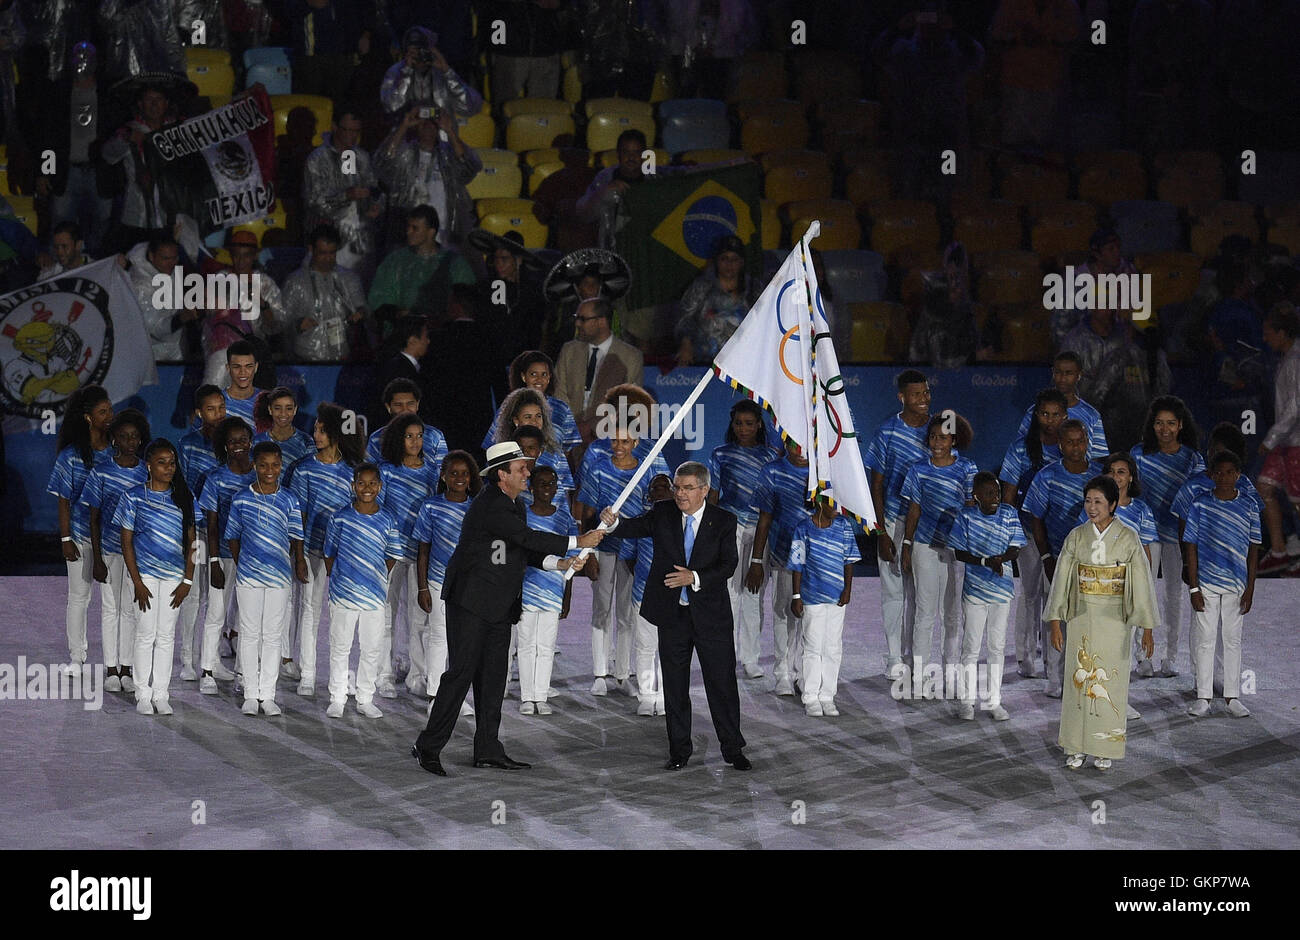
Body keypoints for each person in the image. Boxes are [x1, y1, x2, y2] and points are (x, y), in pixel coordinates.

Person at [411, 442, 604, 777]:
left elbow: (517, 548)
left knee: (493, 679)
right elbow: (525, 537)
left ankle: (487, 748)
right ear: (502, 475)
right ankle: (427, 746)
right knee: (460, 675)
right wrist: (577, 541)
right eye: (521, 469)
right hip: (471, 603)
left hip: (499, 606)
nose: (527, 473)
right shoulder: (491, 505)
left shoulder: (513, 505)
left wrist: (558, 562)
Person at [599, 461, 751, 771]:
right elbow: (632, 527)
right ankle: (680, 750)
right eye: (677, 488)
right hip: (673, 616)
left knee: (721, 684)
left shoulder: (724, 521)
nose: (680, 494)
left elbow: (727, 566)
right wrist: (613, 523)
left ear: (704, 490)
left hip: (711, 617)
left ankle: (733, 748)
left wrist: (693, 577)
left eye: (687, 488)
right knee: (675, 686)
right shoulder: (664, 513)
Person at [1045, 475, 1158, 771]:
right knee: (1078, 679)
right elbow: (1061, 581)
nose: (1091, 507)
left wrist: (1146, 627)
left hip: (1115, 618)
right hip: (1082, 614)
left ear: (1112, 504)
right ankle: (1075, 746)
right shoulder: (1076, 536)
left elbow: (1143, 584)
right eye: (1087, 501)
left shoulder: (1129, 537)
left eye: (1098, 501)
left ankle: (1104, 746)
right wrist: (1056, 620)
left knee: (1111, 682)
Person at [576, 414, 665, 698]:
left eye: (625, 441)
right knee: (601, 609)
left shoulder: (646, 472)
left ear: (636, 442)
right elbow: (586, 514)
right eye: (615, 440)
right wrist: (587, 552)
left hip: (632, 551)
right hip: (602, 548)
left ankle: (622, 674)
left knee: (626, 614)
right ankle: (600, 673)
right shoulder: (598, 469)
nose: (618, 445)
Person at [114, 437, 198, 716]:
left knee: (166, 635)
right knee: (145, 633)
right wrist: (136, 581)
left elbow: (192, 541)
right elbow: (126, 541)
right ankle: (142, 692)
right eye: (161, 463)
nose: (168, 468)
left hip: (174, 578)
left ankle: (161, 693)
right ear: (148, 465)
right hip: (145, 577)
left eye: (172, 463)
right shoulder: (134, 496)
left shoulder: (184, 497)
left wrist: (188, 580)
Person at [226, 441, 308, 717]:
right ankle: (251, 693)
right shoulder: (241, 498)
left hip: (279, 577)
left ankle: (268, 694)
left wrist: (297, 562)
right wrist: (246, 565)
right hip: (249, 576)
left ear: (281, 466)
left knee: (273, 635)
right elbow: (233, 537)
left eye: (274, 465)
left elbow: (296, 537)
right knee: (249, 634)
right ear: (254, 465)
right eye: (263, 465)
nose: (269, 470)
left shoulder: (289, 499)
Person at [287, 402, 363, 698]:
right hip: (312, 551)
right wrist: (299, 554)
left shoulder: (352, 471)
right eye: (315, 429)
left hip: (344, 555)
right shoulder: (304, 469)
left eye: (322, 429)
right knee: (309, 611)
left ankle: (343, 675)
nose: (316, 434)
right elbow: (299, 516)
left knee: (344, 616)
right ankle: (307, 674)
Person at [1023, 419, 1103, 697]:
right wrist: (1046, 556)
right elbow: (1036, 518)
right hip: (1057, 558)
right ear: (1060, 444)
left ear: (1087, 442)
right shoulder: (1046, 476)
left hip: (1092, 564)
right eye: (1069, 442)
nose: (1075, 447)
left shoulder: (1098, 477)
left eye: (1080, 441)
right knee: (1055, 616)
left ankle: (1082, 676)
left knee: (1086, 620)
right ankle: (1054, 678)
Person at [900, 411, 976, 697]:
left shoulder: (967, 469)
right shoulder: (918, 470)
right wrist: (907, 544)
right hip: (923, 545)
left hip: (954, 549)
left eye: (942, 437)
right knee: (924, 611)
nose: (936, 442)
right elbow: (914, 509)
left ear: (953, 439)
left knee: (952, 613)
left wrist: (968, 543)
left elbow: (969, 507)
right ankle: (920, 677)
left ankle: (951, 674)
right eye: (933, 437)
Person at [863, 369, 932, 680]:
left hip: (926, 526)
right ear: (902, 397)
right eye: (916, 394)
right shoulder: (887, 432)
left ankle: (916, 656)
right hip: (893, 519)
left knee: (921, 594)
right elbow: (875, 484)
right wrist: (880, 531)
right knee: (894, 592)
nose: (923, 400)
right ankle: (893, 656)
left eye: (926, 393)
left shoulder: (938, 431)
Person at [1129, 395, 1203, 678]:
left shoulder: (1192, 459)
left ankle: (1169, 658)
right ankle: (1142, 657)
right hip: (1144, 535)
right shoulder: (1138, 454)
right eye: (1159, 423)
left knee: (1173, 596)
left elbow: (1196, 502)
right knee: (1141, 594)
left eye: (1171, 423)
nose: (1165, 429)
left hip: (1178, 536)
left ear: (1181, 425)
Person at [1184, 451, 1262, 718]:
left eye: (1231, 472)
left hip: (1237, 584)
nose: (1225, 477)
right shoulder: (1200, 505)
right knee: (1205, 640)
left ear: (1239, 475)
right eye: (1220, 472)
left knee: (1232, 640)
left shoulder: (1249, 506)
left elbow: (1253, 550)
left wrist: (1250, 588)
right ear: (1211, 475)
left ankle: (1232, 696)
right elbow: (1190, 546)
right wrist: (1194, 588)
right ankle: (1203, 696)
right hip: (1206, 583)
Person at [323, 463, 404, 718]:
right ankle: (337, 696)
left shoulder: (388, 519)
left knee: (371, 648)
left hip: (374, 596)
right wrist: (343, 580)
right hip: (343, 594)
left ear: (379, 487)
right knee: (340, 646)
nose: (366, 488)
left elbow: (391, 556)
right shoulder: (340, 517)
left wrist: (375, 576)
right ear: (353, 485)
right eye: (361, 483)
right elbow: (329, 554)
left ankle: (365, 697)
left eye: (372, 484)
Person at [708, 399, 782, 679]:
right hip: (729, 528)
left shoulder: (770, 458)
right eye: (738, 423)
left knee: (753, 594)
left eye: (749, 423)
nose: (743, 428)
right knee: (728, 593)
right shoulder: (720, 455)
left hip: (762, 530)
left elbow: (773, 502)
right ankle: (724, 655)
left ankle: (750, 658)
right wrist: (711, 534)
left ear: (760, 424)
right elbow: (713, 497)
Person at [82, 409, 150, 695]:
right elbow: (93, 518)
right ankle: (111, 668)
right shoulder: (101, 472)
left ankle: (128, 666)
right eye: (123, 437)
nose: (130, 442)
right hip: (110, 551)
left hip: (139, 553)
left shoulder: (147, 470)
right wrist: (96, 558)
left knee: (132, 609)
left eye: (134, 437)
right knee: (111, 609)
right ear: (114, 440)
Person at [46, 384, 114, 674]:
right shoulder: (71, 456)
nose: (110, 415)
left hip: (113, 539)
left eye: (110, 409)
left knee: (114, 603)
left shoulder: (117, 450)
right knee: (79, 597)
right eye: (103, 412)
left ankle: (117, 662)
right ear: (88, 417)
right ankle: (77, 657)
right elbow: (63, 501)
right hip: (80, 536)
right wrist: (65, 539)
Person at [1000, 387, 1067, 678]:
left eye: (1055, 415)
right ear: (1035, 415)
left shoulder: (1072, 448)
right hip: (1027, 534)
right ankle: (1026, 658)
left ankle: (1054, 661)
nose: (1049, 420)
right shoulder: (1020, 450)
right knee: (1029, 594)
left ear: (1064, 417)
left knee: (1055, 596)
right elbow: (1008, 497)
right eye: (1044, 414)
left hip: (1062, 537)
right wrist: (1010, 535)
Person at [949, 472, 1025, 720]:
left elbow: (1015, 548)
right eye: (989, 493)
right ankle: (967, 702)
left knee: (997, 647)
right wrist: (984, 561)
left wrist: (1001, 559)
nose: (996, 498)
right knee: (971, 648)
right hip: (974, 594)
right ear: (976, 496)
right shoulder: (966, 516)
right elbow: (959, 552)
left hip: (1002, 591)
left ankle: (993, 702)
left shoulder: (1009, 514)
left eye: (998, 493)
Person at [412, 449, 482, 718]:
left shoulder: (476, 507)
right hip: (439, 581)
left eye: (464, 473)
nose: (460, 478)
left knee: (463, 641)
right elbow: (424, 550)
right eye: (454, 473)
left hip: (469, 584)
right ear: (443, 476)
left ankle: (456, 697)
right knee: (439, 636)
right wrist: (422, 587)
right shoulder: (430, 506)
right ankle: (434, 696)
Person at [378, 413, 442, 697]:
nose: (415, 441)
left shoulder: (433, 470)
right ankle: (384, 674)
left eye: (419, 436)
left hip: (420, 554)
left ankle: (418, 675)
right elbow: (377, 513)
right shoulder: (386, 471)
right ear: (398, 439)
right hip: (391, 552)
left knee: (420, 617)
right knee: (386, 615)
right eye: (409, 436)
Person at [516, 464, 588, 715]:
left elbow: (572, 558)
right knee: (526, 644)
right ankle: (527, 696)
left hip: (553, 589)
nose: (548, 488)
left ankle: (541, 695)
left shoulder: (564, 518)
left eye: (552, 483)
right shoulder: (521, 515)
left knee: (546, 645)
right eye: (542, 483)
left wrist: (567, 596)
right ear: (532, 487)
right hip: (526, 588)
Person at [747, 438, 813, 697]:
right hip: (785, 553)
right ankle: (783, 673)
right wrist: (755, 561)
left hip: (818, 557)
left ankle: (806, 672)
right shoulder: (772, 471)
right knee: (785, 611)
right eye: (795, 444)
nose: (800, 450)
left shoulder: (825, 472)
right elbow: (765, 518)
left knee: (813, 616)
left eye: (805, 444)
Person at [34, 42, 112, 256]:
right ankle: (59, 269)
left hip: (99, 170)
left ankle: (95, 264)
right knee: (61, 221)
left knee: (102, 220)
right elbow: (47, 136)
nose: (82, 62)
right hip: (67, 171)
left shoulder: (107, 92)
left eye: (86, 57)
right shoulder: (58, 92)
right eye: (78, 57)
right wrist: (44, 172)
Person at [195, 417, 255, 695]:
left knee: (246, 618)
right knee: (216, 613)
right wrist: (215, 561)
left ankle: (243, 672)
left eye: (244, 440)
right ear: (224, 446)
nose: (239, 446)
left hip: (253, 559)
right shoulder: (215, 479)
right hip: (224, 557)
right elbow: (212, 523)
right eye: (233, 442)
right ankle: (207, 670)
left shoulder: (259, 475)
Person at [789, 495, 859, 717]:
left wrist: (847, 589)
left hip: (836, 596)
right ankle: (810, 696)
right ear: (820, 502)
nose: (838, 508)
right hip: (812, 596)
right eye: (833, 503)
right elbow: (797, 564)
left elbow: (849, 560)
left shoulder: (844, 527)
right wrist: (796, 595)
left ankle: (827, 695)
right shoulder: (803, 528)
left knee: (832, 647)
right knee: (812, 646)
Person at [374, 106, 481, 250]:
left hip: (443, 233)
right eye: (423, 121)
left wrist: (449, 130)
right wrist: (404, 125)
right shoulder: (406, 154)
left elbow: (470, 166)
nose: (428, 125)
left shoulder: (448, 155)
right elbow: (383, 162)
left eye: (433, 122)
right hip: (409, 234)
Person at [302, 109, 384, 280]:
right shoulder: (317, 159)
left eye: (356, 131)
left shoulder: (362, 157)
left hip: (360, 241)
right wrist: (345, 196)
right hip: (329, 242)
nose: (352, 136)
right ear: (334, 127)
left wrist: (376, 205)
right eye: (347, 130)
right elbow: (314, 202)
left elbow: (374, 189)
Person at [554, 296, 645, 445]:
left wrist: (590, 426)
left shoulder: (630, 356)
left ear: (601, 321)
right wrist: (573, 428)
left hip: (607, 439)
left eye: (583, 319)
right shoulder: (568, 351)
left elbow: (627, 402)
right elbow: (559, 393)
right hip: (569, 438)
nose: (577, 323)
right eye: (577, 318)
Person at [201, 231, 286, 385]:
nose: (240, 261)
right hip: (220, 354)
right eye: (236, 255)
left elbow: (277, 325)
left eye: (246, 255)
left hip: (251, 356)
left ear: (255, 256)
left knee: (248, 403)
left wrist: (263, 305)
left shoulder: (265, 284)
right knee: (211, 398)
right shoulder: (219, 280)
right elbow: (205, 318)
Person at [368, 206, 477, 324]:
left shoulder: (455, 264)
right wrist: (397, 313)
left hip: (444, 332)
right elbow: (378, 299)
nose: (408, 232)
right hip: (405, 331)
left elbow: (467, 304)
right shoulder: (394, 261)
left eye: (415, 228)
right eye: (408, 227)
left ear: (431, 232)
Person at [1255, 302, 1300, 575]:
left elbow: (1296, 408)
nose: (1264, 338)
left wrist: (1270, 439)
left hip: (1294, 442)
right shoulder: (1287, 358)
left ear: (1283, 333)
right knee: (1264, 487)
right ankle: (1280, 550)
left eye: (1268, 332)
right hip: (1286, 442)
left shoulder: (1295, 361)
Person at [284, 224, 371, 361]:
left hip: (343, 355)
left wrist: (360, 313)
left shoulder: (349, 279)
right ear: (311, 249)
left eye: (332, 253)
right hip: (305, 357)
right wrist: (297, 324)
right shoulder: (295, 282)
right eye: (323, 253)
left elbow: (363, 307)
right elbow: (281, 320)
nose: (328, 258)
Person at [624, 473, 673, 716]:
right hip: (643, 592)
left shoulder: (680, 523)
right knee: (645, 645)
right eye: (657, 487)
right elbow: (630, 557)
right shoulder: (641, 521)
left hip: (672, 594)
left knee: (667, 646)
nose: (662, 490)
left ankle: (665, 696)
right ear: (650, 494)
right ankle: (646, 696)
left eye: (667, 486)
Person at [482, 351, 582, 464]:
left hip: (554, 477)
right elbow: (492, 447)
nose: (539, 379)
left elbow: (568, 451)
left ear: (549, 378)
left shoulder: (562, 409)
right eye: (533, 374)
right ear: (524, 377)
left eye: (544, 374)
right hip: (517, 477)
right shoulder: (508, 407)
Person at [674, 234, 756, 366]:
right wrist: (686, 344)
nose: (729, 264)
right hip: (704, 361)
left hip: (743, 362)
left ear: (741, 262)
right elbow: (685, 319)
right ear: (716, 261)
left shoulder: (753, 288)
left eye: (734, 259)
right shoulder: (701, 286)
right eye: (724, 259)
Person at [471, 230, 548, 363]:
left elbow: (538, 327)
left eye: (504, 259)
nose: (499, 264)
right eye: (496, 259)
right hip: (493, 359)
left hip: (524, 360)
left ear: (518, 260)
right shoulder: (490, 287)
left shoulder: (532, 291)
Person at [1014, 351, 1108, 460]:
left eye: (1069, 373)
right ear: (1053, 372)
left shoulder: (1092, 415)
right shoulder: (1034, 412)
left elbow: (1098, 458)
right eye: (1058, 372)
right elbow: (1019, 450)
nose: (1063, 378)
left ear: (1079, 375)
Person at [379, 25, 484, 119]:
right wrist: (406, 73)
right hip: (407, 135)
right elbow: (391, 107)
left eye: (420, 50)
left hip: (440, 135)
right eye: (412, 51)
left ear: (430, 50)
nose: (417, 55)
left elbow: (469, 108)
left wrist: (448, 72)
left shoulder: (442, 72)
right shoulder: (395, 71)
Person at [129, 236, 194, 363]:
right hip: (154, 357)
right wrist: (181, 318)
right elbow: (153, 328)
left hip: (177, 350)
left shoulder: (170, 271)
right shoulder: (141, 286)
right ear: (151, 256)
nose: (171, 263)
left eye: (174, 258)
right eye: (165, 258)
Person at [365, 377, 449, 466]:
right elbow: (367, 473)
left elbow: (444, 473)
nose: (405, 410)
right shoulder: (376, 439)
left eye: (410, 404)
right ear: (388, 407)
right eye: (398, 405)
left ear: (417, 404)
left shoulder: (435, 436)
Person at [373, 316, 428, 424]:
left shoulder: (401, 367)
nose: (428, 341)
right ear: (412, 341)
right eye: (425, 337)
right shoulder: (399, 371)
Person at [253, 387, 316, 471]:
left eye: (289, 408)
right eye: (277, 408)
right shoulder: (256, 442)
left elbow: (311, 474)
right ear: (270, 410)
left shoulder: (307, 442)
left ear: (295, 410)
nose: (283, 413)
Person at [221, 341, 261, 428]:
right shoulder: (216, 402)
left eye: (248, 366)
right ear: (228, 368)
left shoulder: (267, 400)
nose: (243, 372)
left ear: (256, 367)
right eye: (237, 367)